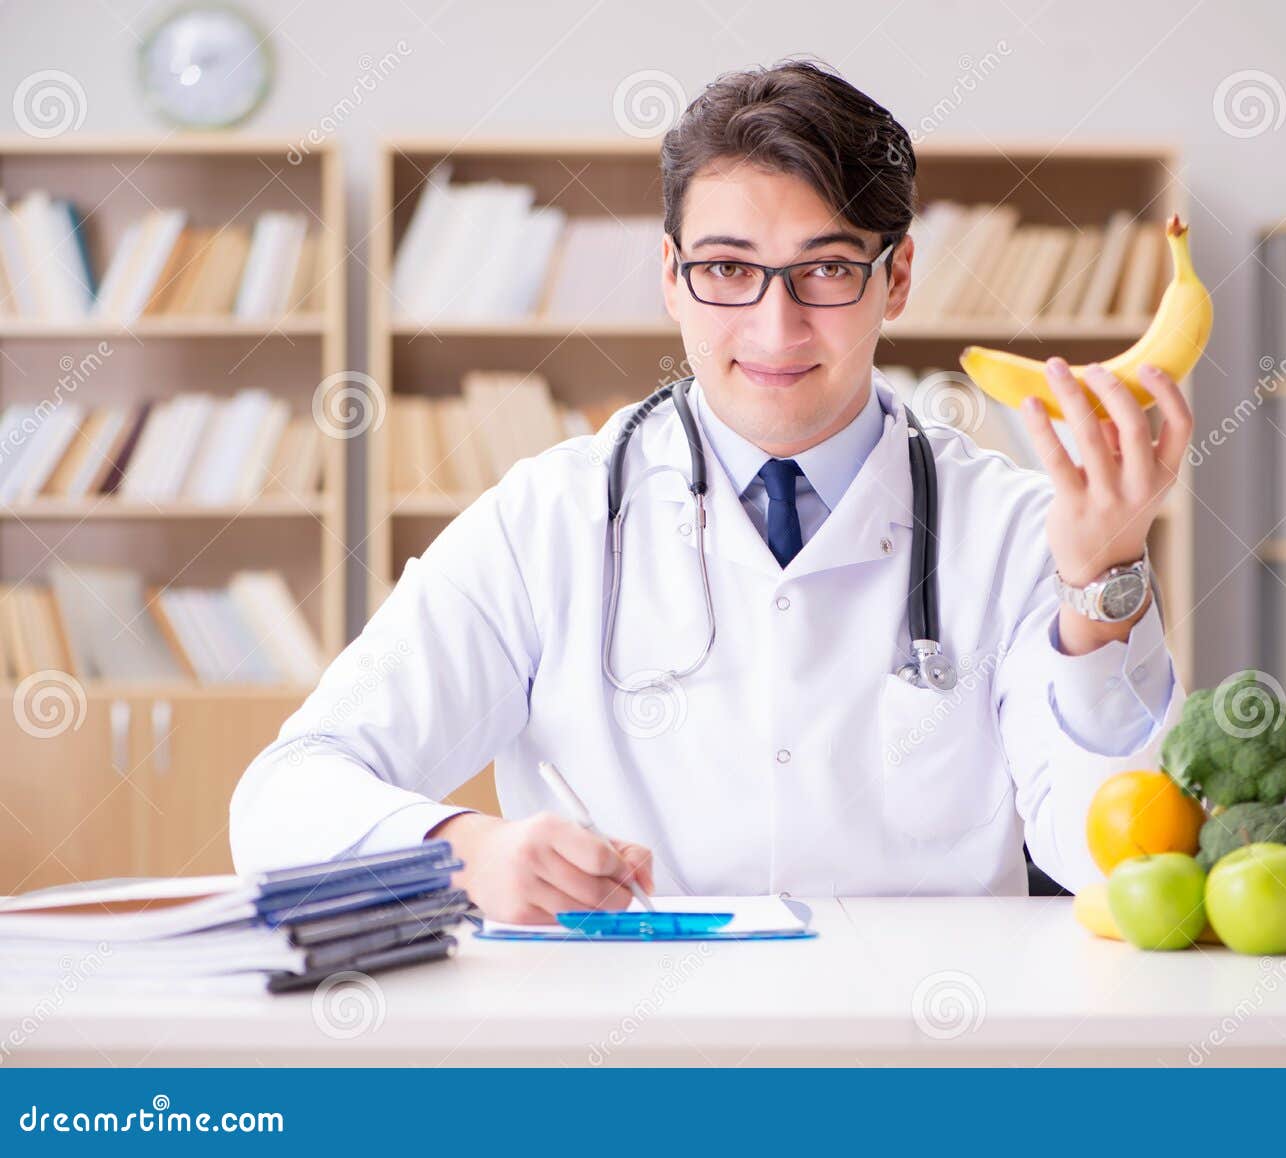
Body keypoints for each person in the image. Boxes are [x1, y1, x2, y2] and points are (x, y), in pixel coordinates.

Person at [230, 58, 1194, 924]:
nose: (776, 330)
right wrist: (461, 852)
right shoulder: (550, 520)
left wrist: (1101, 585)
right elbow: (282, 796)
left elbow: (1117, 859)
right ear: (671, 275)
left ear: (896, 278)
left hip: (918, 1059)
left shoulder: (1020, 531)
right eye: (729, 269)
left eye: (825, 269)